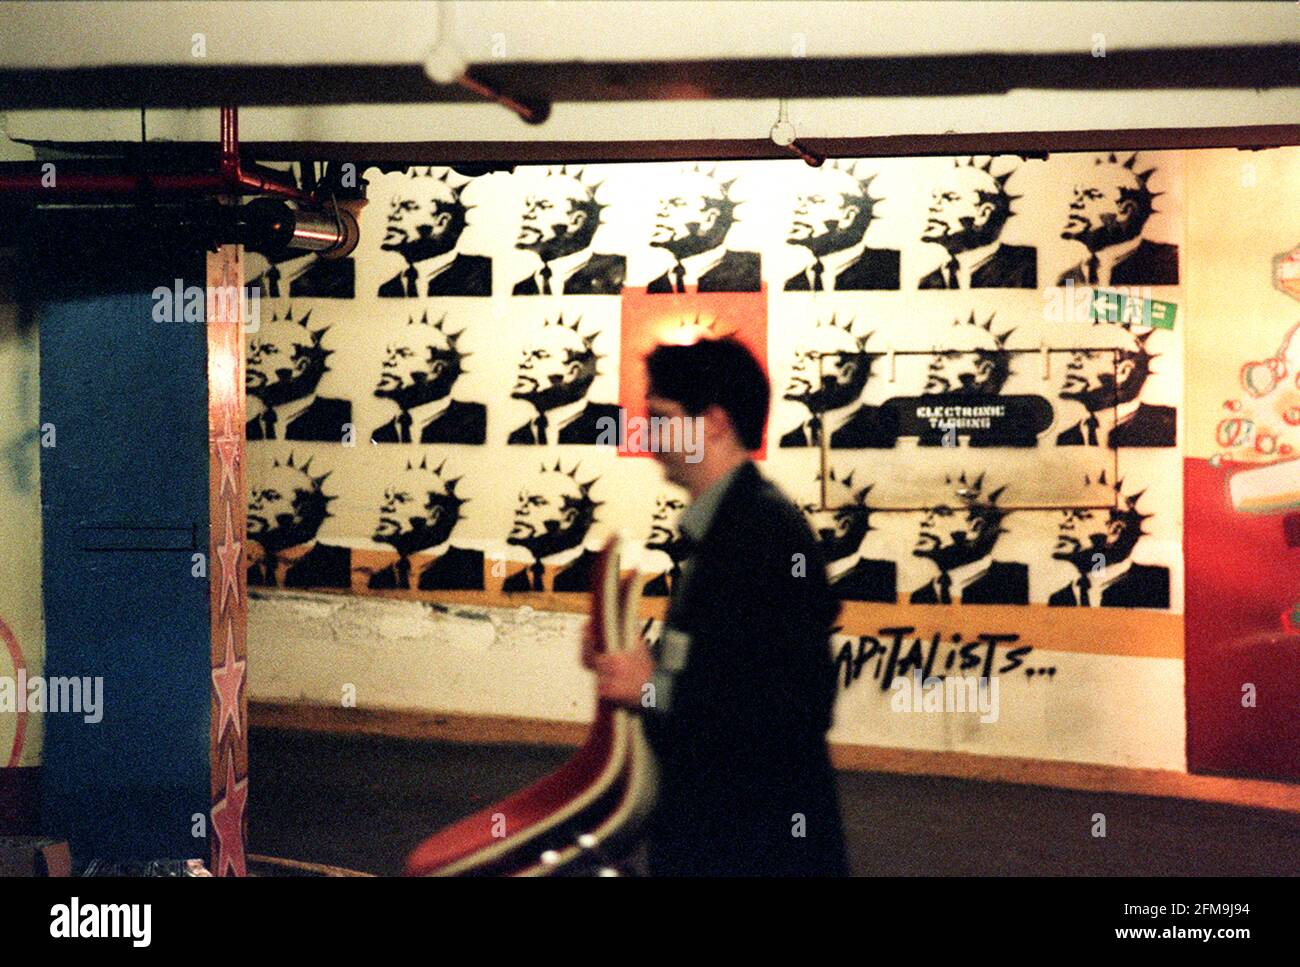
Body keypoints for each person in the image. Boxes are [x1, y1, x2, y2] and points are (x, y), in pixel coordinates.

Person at [583, 336, 850, 876]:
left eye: (660, 418)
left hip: (758, 850)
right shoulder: (729, 527)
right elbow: (727, 670)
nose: (647, 437)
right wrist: (638, 664)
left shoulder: (765, 533)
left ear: (713, 423)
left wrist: (649, 687)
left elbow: (796, 704)